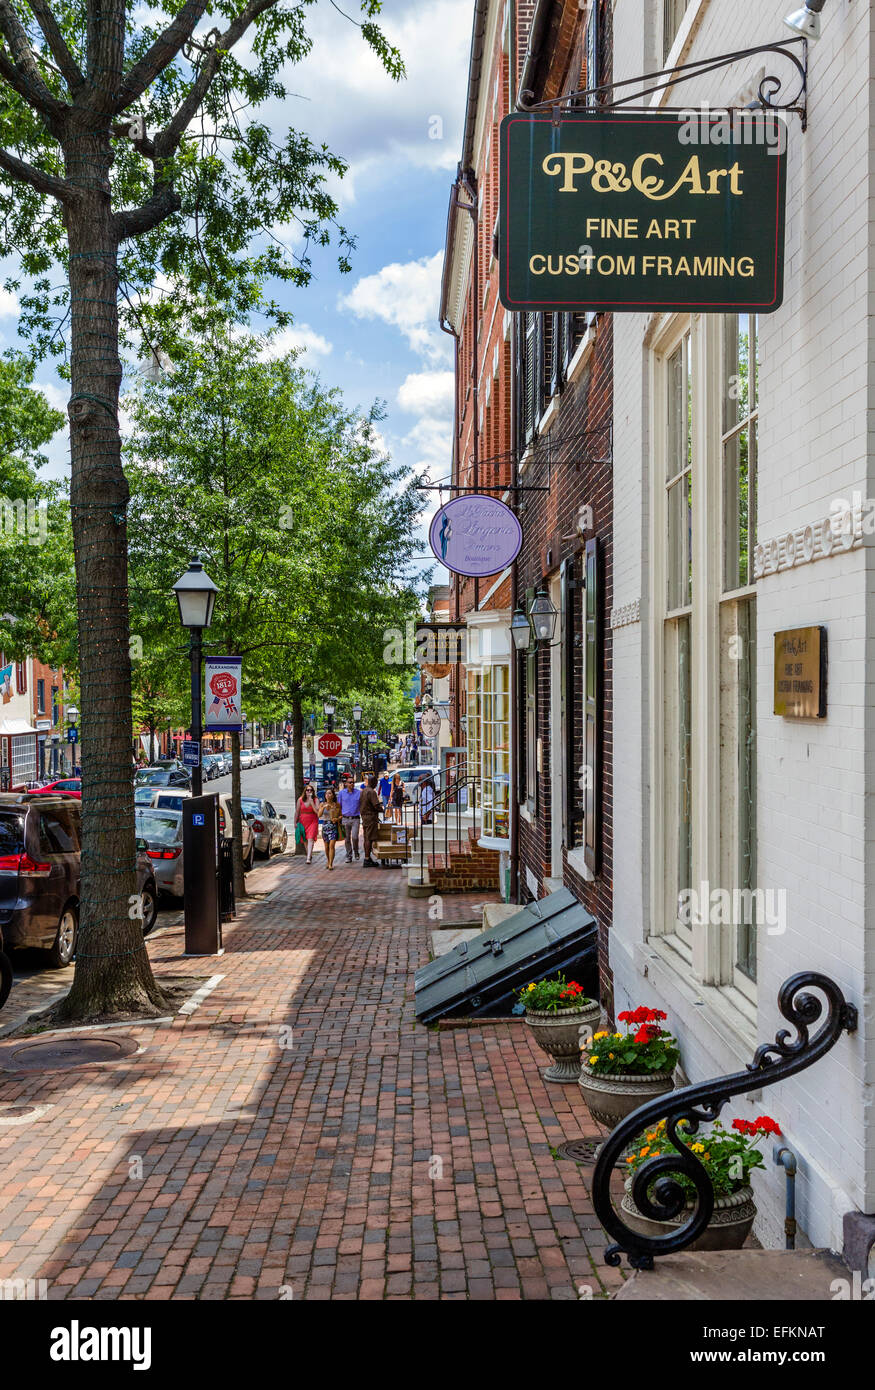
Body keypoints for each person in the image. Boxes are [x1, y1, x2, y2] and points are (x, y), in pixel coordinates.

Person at [295, 782, 321, 865]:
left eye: (310, 790)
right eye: (307, 790)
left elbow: (317, 811)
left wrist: (311, 802)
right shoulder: (300, 800)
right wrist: (295, 822)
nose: (309, 792)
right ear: (305, 791)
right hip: (303, 821)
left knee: (310, 839)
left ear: (313, 791)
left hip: (313, 821)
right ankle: (309, 854)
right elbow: (297, 812)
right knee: (305, 840)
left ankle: (308, 857)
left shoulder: (315, 800)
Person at [360, 774, 383, 867]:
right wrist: (382, 810)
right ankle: (367, 858)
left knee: (366, 837)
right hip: (371, 817)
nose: (376, 784)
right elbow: (376, 805)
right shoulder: (371, 792)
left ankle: (367, 858)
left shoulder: (363, 791)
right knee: (369, 838)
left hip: (364, 817)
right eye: (376, 782)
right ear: (372, 782)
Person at [338, 775, 362, 863]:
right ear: (346, 784)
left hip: (355, 818)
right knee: (347, 839)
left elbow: (362, 805)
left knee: (355, 837)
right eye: (350, 782)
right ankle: (349, 855)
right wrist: (339, 818)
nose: (352, 784)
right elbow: (339, 806)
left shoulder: (359, 793)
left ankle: (356, 852)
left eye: (353, 782)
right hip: (345, 818)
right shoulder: (341, 793)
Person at [320, 787, 343, 870]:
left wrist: (337, 819)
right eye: (326, 793)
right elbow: (319, 815)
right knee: (326, 846)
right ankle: (328, 860)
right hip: (325, 826)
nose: (328, 795)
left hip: (333, 826)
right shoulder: (322, 804)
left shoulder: (336, 805)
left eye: (330, 793)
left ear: (333, 795)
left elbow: (341, 815)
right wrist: (323, 807)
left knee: (332, 845)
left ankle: (330, 864)